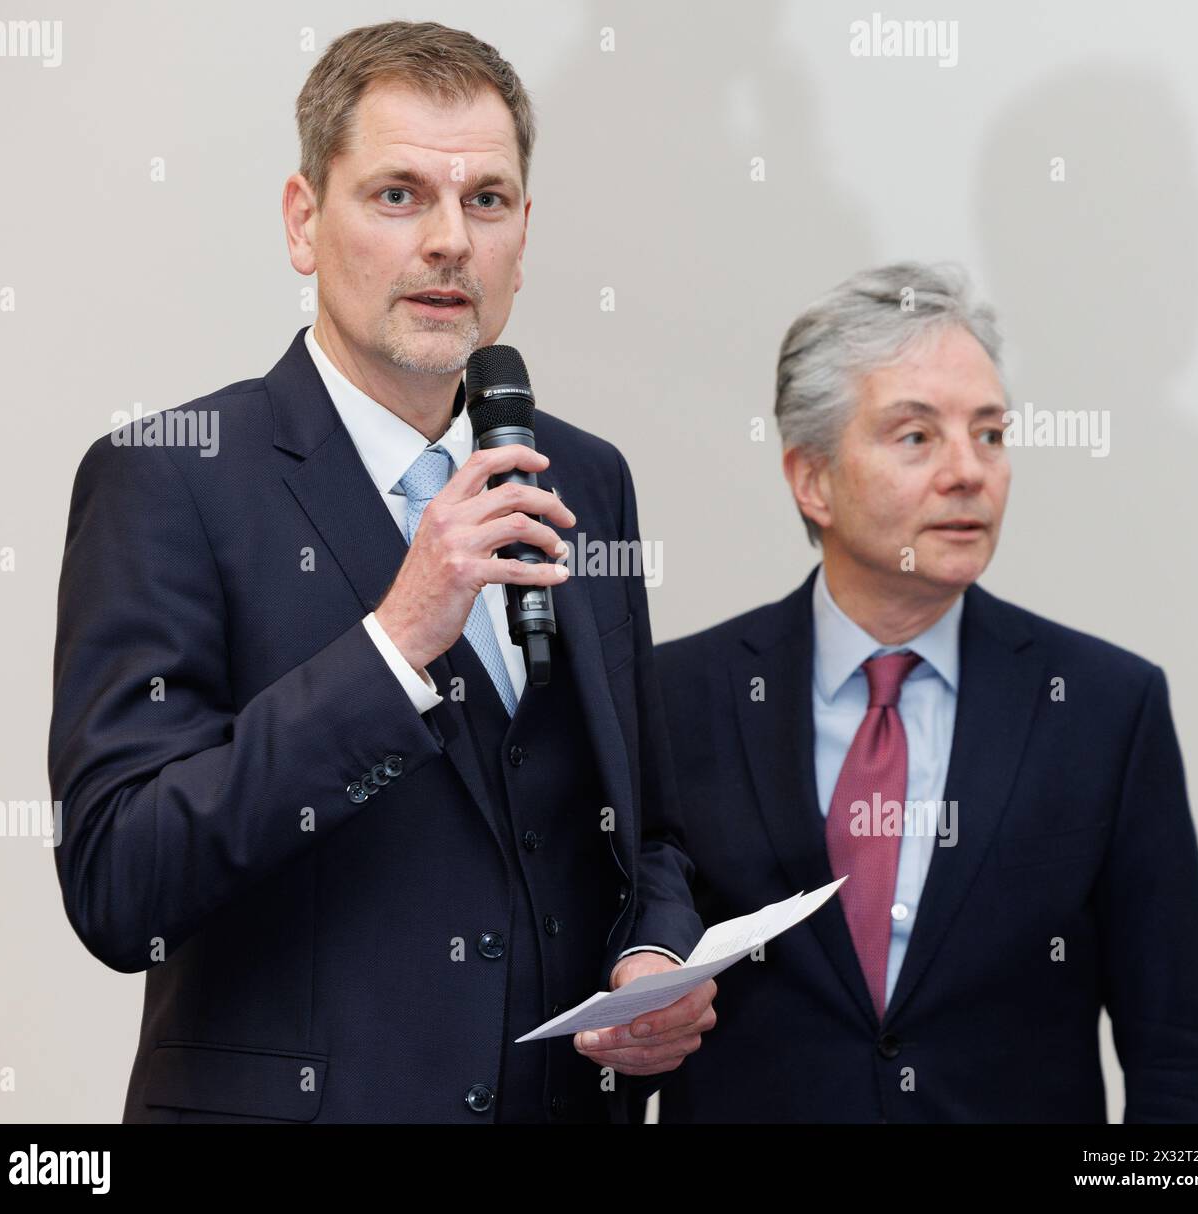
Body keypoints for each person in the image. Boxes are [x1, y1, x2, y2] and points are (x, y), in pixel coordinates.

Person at [48, 19, 714, 1125]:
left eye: (486, 201)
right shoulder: (169, 481)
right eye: (399, 195)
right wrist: (396, 638)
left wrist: (653, 951)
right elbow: (122, 885)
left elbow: (646, 828)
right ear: (305, 222)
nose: (449, 240)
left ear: (522, 233)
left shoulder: (584, 476)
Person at [650, 262, 1198, 1122]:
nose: (969, 472)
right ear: (812, 478)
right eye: (917, 437)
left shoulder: (1106, 708)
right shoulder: (679, 698)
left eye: (991, 435)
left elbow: (1179, 1054)